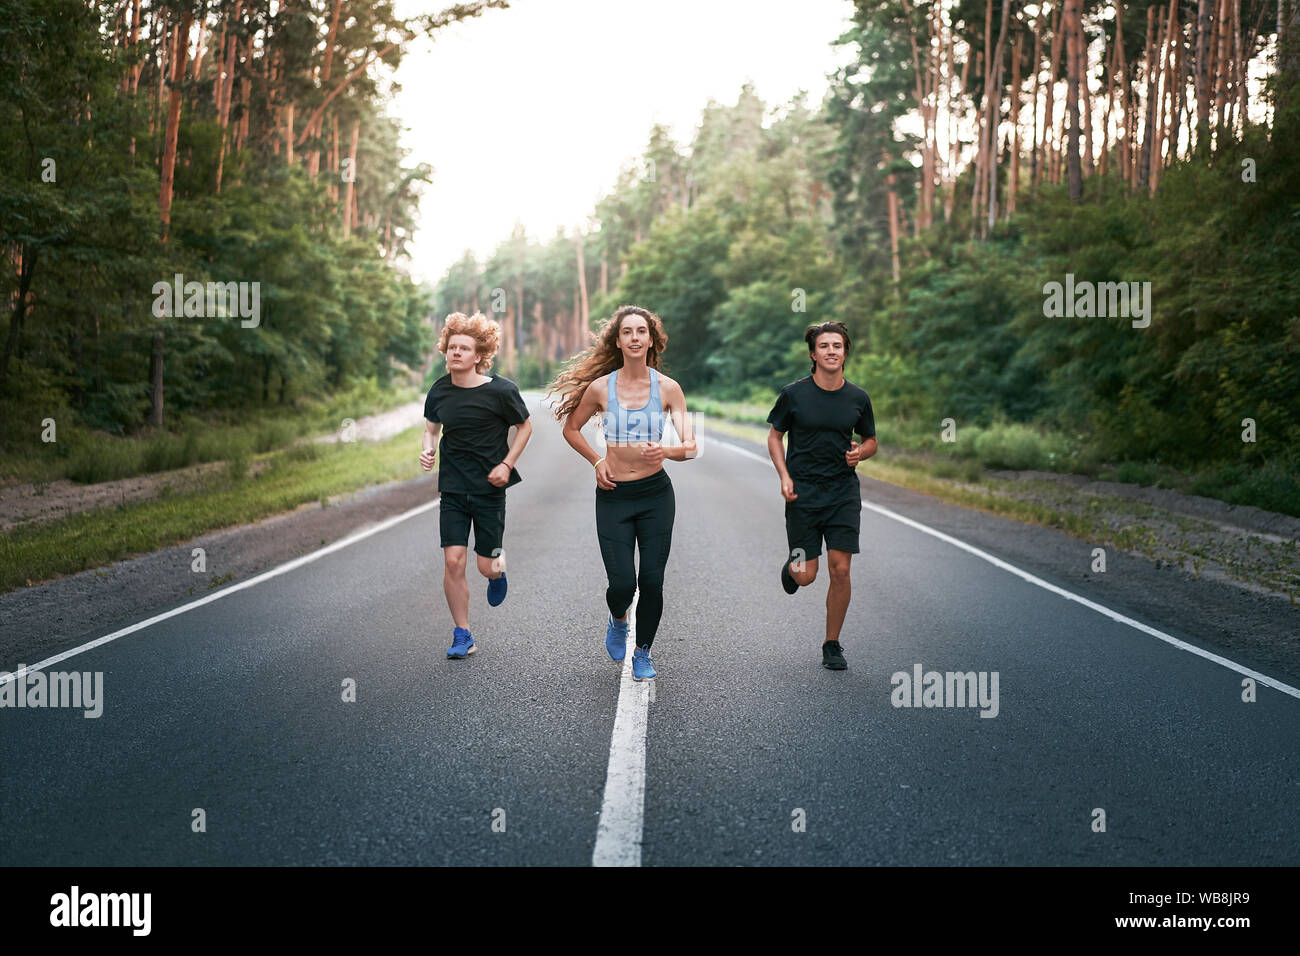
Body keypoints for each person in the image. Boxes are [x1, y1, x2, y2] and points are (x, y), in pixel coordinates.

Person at [547, 305, 697, 681]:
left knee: (651, 580)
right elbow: (571, 429)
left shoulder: (668, 389)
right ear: (618, 340)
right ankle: (618, 619)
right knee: (622, 585)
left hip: (655, 495)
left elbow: (691, 446)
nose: (634, 337)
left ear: (651, 340)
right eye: (627, 331)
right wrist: (598, 462)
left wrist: (665, 450)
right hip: (614, 494)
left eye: (641, 331)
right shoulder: (601, 388)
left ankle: (643, 651)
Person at [420, 312, 533, 660]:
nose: (455, 353)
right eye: (451, 347)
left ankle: (498, 571)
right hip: (453, 489)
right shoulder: (439, 390)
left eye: (464, 348)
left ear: (479, 355)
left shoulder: (502, 391)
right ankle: (462, 633)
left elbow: (525, 427)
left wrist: (506, 464)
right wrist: (427, 448)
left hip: (488, 489)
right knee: (453, 561)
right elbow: (431, 428)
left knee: (486, 566)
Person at [767, 320, 876, 670]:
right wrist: (784, 476)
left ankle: (832, 644)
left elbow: (871, 440)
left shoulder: (858, 398)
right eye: (824, 346)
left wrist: (862, 453)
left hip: (843, 491)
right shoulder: (794, 394)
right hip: (802, 493)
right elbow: (774, 436)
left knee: (840, 569)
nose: (831, 351)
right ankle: (792, 568)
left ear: (845, 353)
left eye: (837, 346)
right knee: (806, 575)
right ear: (813, 354)